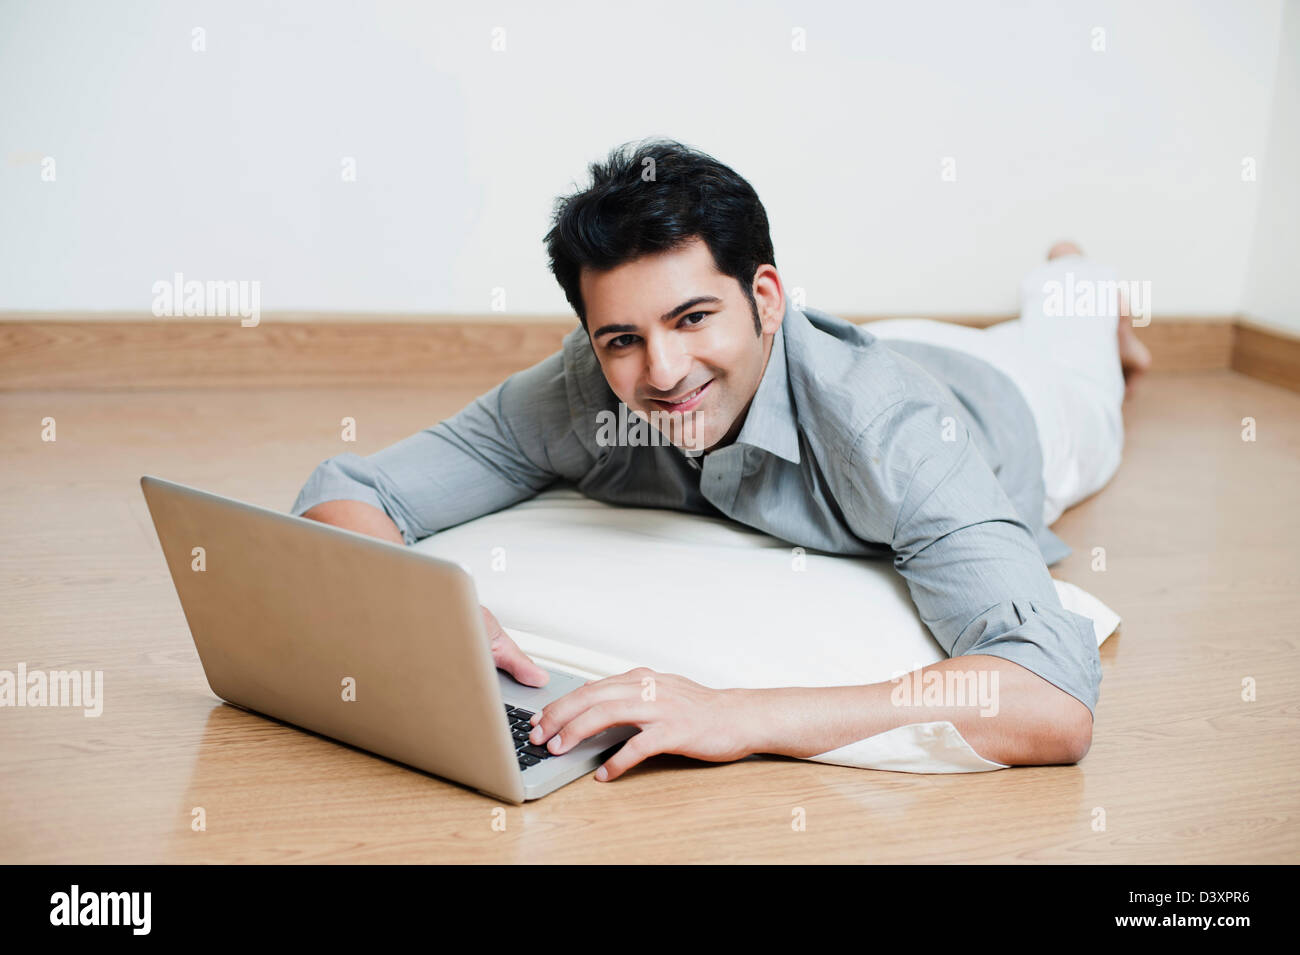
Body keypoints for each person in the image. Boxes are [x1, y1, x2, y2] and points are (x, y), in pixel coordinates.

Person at [291, 139, 1150, 779]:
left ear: (764, 297)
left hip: (1017, 403)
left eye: (693, 316)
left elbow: (1052, 703)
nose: (661, 373)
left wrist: (736, 713)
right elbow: (352, 490)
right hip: (868, 349)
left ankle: (1077, 280)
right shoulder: (586, 385)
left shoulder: (898, 435)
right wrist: (422, 614)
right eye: (623, 337)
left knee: (1072, 346)